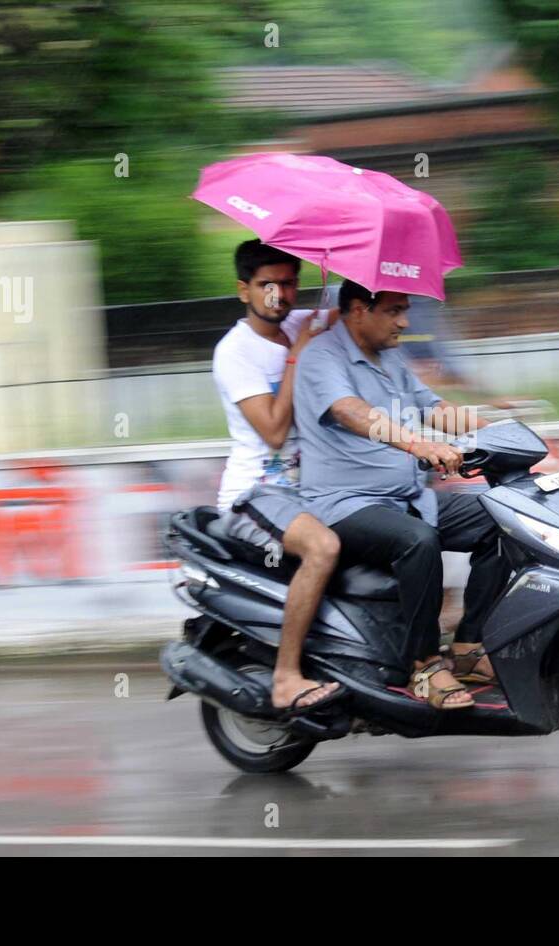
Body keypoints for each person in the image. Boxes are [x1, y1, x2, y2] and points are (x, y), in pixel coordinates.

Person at [294, 281, 508, 709]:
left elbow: (434, 408)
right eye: (393, 311)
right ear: (358, 310)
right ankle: (425, 666)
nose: (405, 322)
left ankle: (467, 647)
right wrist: (419, 445)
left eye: (405, 310)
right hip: (346, 504)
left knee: (503, 518)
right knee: (417, 540)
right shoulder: (322, 357)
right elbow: (350, 411)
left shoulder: (392, 357)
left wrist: (501, 430)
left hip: (409, 496)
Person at [211, 239, 344, 716]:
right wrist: (296, 358)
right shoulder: (235, 352)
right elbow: (272, 430)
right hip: (257, 494)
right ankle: (286, 677)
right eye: (268, 285)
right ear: (243, 290)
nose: (280, 296)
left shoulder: (299, 325)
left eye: (289, 284)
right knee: (323, 547)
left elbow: (354, 324)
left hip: (312, 489)